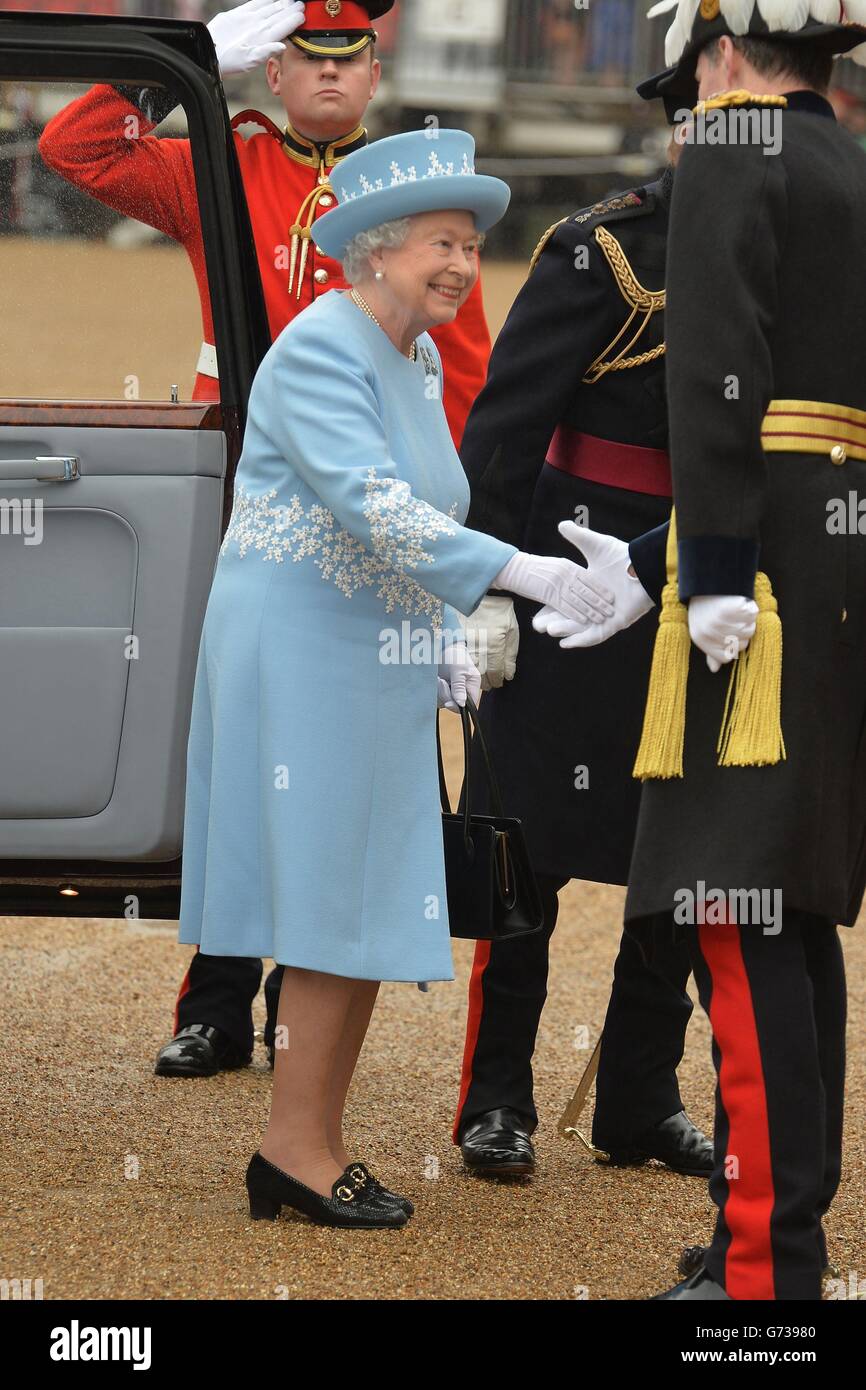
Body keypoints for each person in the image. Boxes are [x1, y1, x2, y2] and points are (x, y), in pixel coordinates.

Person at [38, 0, 494, 1079]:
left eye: (349, 58)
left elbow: (461, 373)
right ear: (274, 72)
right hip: (243, 477)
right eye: (303, 57)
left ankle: (306, 997)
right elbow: (77, 149)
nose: (328, 76)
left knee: (344, 740)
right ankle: (216, 995)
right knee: (235, 732)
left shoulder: (406, 194)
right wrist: (184, 60)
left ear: (372, 71)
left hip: (367, 488)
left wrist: (446, 548)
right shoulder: (224, 157)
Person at [177, 126, 620, 1227]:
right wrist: (514, 575)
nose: (463, 266)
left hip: (366, 654)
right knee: (331, 897)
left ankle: (311, 1141)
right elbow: (369, 506)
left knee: (369, 896)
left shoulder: (412, 355)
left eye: (469, 244)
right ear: (373, 249)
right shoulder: (323, 344)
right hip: (299, 652)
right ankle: (291, 1147)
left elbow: (421, 516)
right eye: (440, 243)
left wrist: (440, 630)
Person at [534, 0, 866, 1299]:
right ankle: (780, 1234)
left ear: (719, 56)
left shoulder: (735, 144)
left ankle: (760, 1265)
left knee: (726, 901)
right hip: (830, 548)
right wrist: (662, 558)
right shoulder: (847, 160)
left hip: (760, 582)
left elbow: (719, 376)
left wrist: (712, 570)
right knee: (787, 906)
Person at [450, 67, 713, 1182]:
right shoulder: (598, 249)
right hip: (571, 584)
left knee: (686, 846)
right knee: (523, 844)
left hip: (704, 583)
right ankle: (496, 1095)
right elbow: (507, 427)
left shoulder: (801, 254)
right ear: (678, 132)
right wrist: (488, 591)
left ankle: (638, 1095)